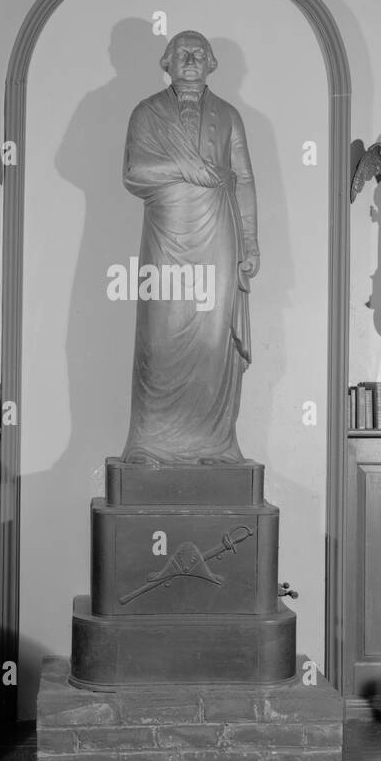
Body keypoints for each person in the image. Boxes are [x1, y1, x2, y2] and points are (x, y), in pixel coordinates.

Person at [121, 30, 259, 465]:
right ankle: (148, 444)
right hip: (166, 237)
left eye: (200, 53)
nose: (192, 59)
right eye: (183, 52)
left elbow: (245, 179)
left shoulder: (229, 115)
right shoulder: (146, 113)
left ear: (212, 62)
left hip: (218, 235)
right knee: (158, 337)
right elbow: (134, 172)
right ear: (167, 61)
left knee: (212, 338)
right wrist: (182, 166)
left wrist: (251, 244)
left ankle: (214, 443)